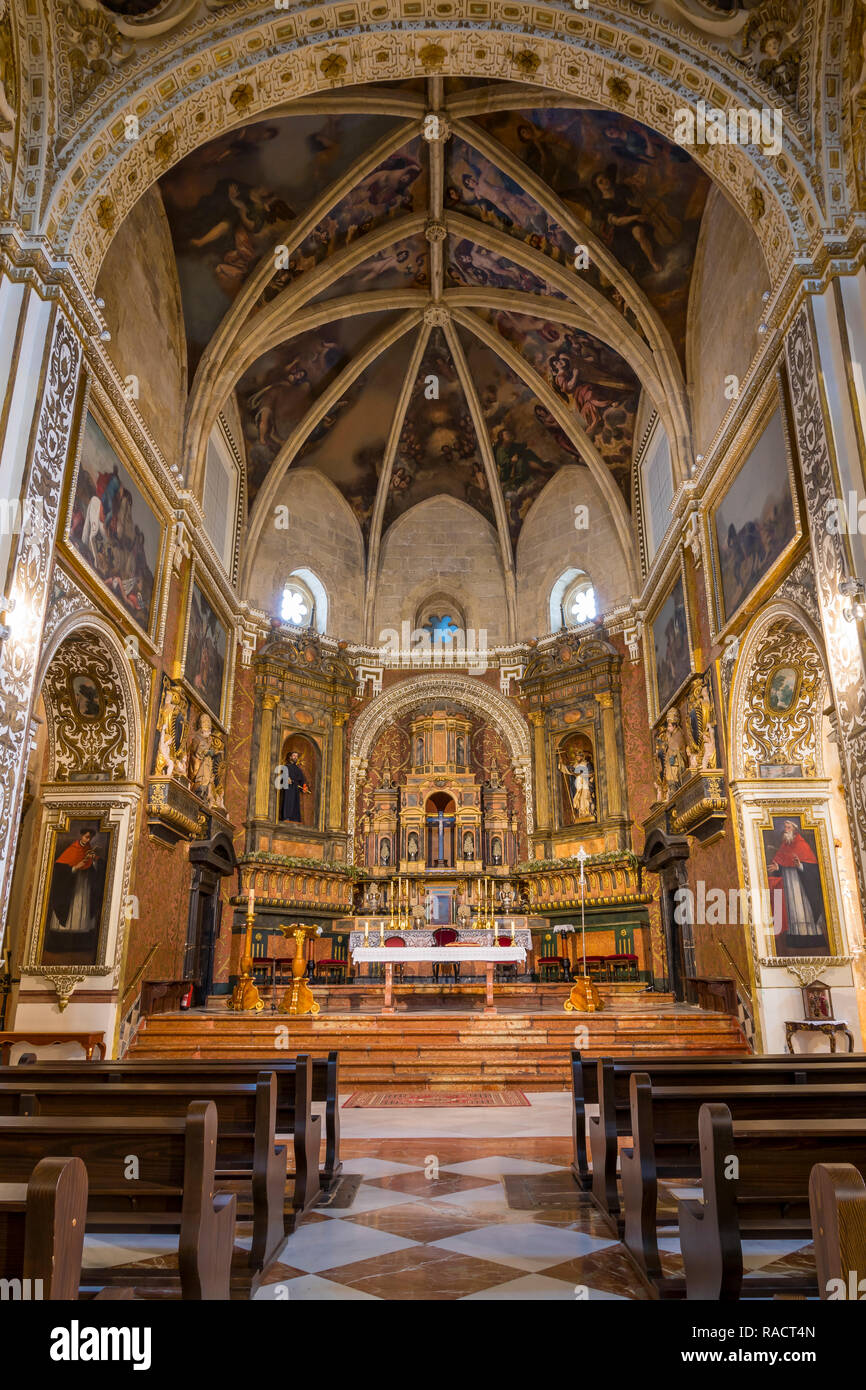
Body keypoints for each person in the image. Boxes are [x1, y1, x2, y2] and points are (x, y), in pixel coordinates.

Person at [768, 819, 825, 940]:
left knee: (803, 907)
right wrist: (779, 866)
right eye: (785, 827)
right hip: (789, 882)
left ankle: (811, 934)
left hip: (801, 883)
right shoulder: (785, 845)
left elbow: (812, 867)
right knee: (793, 908)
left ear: (794, 829)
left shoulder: (802, 844)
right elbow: (782, 860)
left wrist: (800, 865)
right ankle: (794, 934)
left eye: (788, 827)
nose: (786, 829)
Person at [47, 830, 101, 935]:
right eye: (86, 837)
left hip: (84, 883)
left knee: (82, 904)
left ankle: (80, 931)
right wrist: (75, 867)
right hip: (71, 884)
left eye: (90, 838)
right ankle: (65, 931)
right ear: (81, 836)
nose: (88, 840)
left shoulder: (89, 849)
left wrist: (93, 860)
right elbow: (59, 869)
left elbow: (93, 868)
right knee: (72, 904)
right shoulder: (73, 849)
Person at [280, 749, 310, 823]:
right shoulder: (286, 766)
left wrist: (304, 787)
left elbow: (302, 780)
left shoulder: (298, 769)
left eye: (296, 756)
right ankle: (287, 817)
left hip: (296, 788)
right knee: (288, 801)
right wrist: (286, 778)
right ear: (290, 757)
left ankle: (295, 818)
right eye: (294, 756)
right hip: (289, 788)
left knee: (295, 803)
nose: (295, 757)